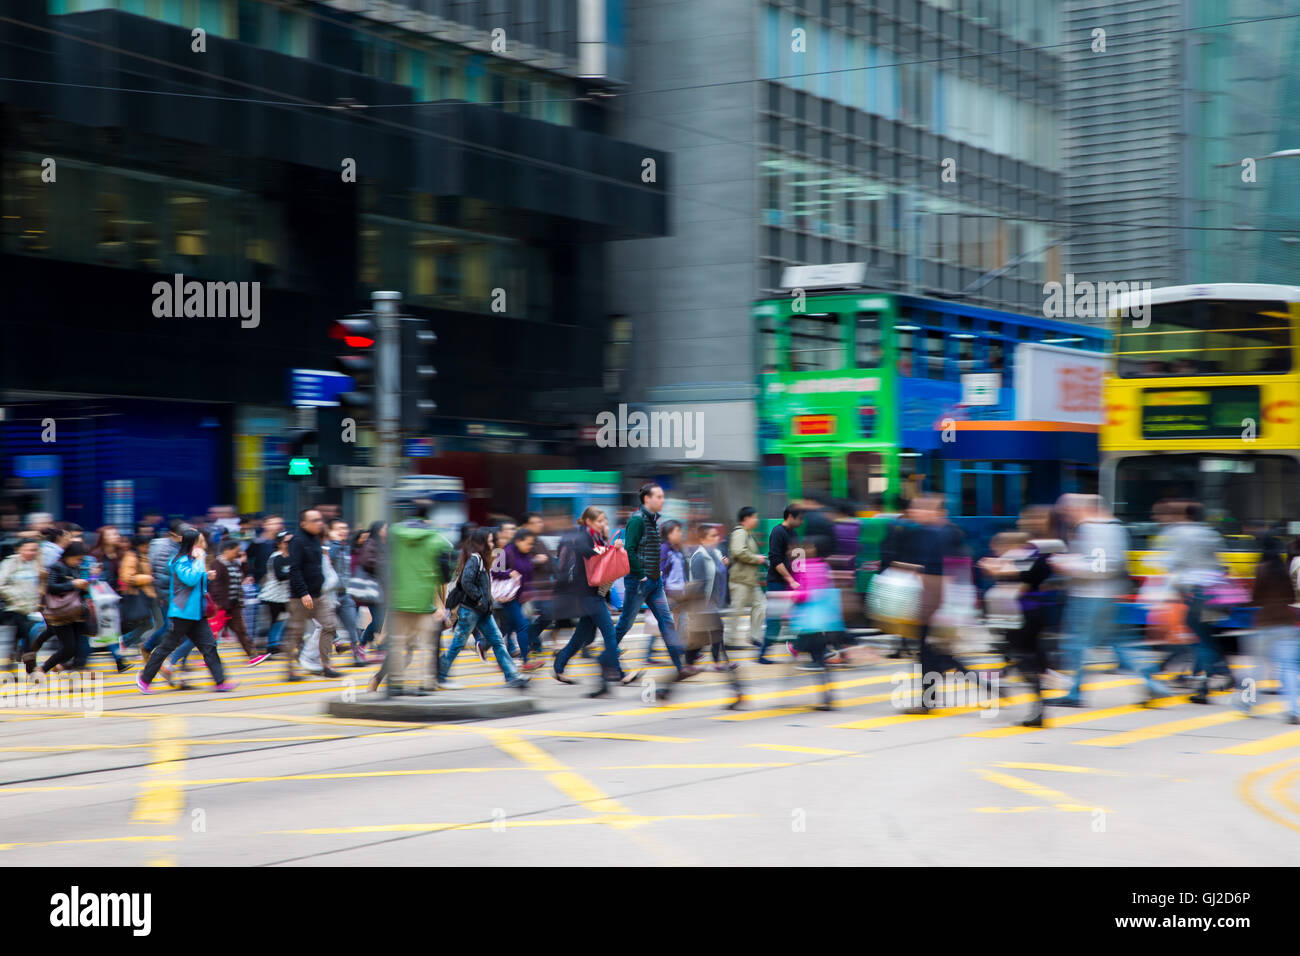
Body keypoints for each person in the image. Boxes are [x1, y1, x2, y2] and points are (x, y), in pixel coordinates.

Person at [1051, 494, 1168, 708]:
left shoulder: (1092, 529)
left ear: (1082, 508)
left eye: (1067, 511)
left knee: (1077, 644)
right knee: (1120, 644)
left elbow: (1102, 566)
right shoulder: (1115, 527)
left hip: (1090, 596)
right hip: (1110, 595)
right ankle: (1152, 684)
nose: (1066, 516)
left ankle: (1075, 692)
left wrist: (1066, 565)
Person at [978, 506, 1064, 727]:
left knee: (1026, 657)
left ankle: (1037, 708)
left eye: (1038, 517)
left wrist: (999, 570)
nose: (1032, 521)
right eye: (1029, 517)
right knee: (1023, 656)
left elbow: (1031, 574)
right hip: (1019, 609)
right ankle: (1036, 707)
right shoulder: (1031, 547)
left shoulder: (1046, 547)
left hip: (1028, 610)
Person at [137, 526, 238, 693]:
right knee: (166, 647)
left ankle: (220, 682)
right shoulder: (179, 561)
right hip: (182, 613)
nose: (201, 545)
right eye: (199, 541)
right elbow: (190, 580)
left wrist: (207, 576)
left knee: (209, 646)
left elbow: (197, 581)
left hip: (197, 613)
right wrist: (200, 562)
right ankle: (144, 679)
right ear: (192, 543)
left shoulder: (190, 560)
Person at [553, 507, 641, 697]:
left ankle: (559, 664)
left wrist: (608, 542)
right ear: (589, 522)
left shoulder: (596, 537)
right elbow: (588, 552)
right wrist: (609, 548)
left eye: (605, 521)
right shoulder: (582, 536)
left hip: (595, 594)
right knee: (609, 632)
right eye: (600, 521)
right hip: (586, 593)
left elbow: (604, 563)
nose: (603, 524)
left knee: (580, 637)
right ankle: (620, 673)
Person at [438, 529, 529, 688]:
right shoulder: (475, 559)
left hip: (483, 611)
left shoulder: (483, 559)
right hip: (471, 611)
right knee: (458, 643)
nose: (493, 544)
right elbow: (467, 582)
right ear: (482, 543)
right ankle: (440, 674)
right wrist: (480, 600)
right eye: (490, 541)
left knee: (498, 641)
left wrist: (486, 603)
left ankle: (512, 676)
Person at [612, 483, 687, 678]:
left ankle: (681, 667)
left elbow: (650, 550)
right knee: (625, 624)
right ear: (647, 499)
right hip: (639, 582)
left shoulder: (654, 520)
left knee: (667, 622)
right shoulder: (637, 520)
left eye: (663, 496)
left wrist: (655, 574)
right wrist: (641, 574)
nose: (662, 500)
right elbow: (630, 550)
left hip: (655, 583)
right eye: (659, 497)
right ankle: (606, 658)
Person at [382, 502, 452, 696]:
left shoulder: (394, 534)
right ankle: (425, 683)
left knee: (397, 643)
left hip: (399, 599)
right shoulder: (436, 538)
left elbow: (384, 564)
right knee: (427, 645)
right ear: (427, 517)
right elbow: (445, 572)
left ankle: (395, 684)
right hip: (424, 602)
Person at [1239, 539, 1297, 719]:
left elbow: (1256, 599)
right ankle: (1294, 709)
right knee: (1288, 669)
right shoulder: (1283, 571)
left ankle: (1247, 703)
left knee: (1255, 668)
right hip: (1286, 624)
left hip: (1265, 624)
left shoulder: (1261, 569)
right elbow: (1290, 596)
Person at [283, 509, 342, 681]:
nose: (319, 523)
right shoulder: (297, 541)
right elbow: (295, 569)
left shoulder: (315, 540)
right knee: (296, 632)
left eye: (320, 520)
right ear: (303, 523)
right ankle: (289, 670)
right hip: (301, 597)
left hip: (319, 595)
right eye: (315, 520)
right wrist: (303, 593)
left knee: (329, 625)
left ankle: (326, 666)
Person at [686, 524, 742, 700]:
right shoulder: (699, 557)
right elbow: (697, 582)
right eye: (712, 536)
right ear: (702, 539)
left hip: (713, 601)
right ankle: (717, 662)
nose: (716, 538)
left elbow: (720, 573)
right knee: (714, 631)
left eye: (716, 535)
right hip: (702, 602)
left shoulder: (716, 554)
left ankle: (690, 663)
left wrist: (724, 564)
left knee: (703, 636)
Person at [208, 536, 269, 666]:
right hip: (221, 606)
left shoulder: (234, 563)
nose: (238, 553)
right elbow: (215, 585)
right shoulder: (217, 564)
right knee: (212, 633)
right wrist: (218, 603)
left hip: (233, 604)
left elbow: (242, 575)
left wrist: (244, 562)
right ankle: (208, 658)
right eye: (236, 550)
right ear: (226, 550)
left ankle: (252, 655)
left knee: (241, 631)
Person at [36, 540, 91, 675]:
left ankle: (60, 667)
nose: (79, 562)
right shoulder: (56, 566)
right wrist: (74, 584)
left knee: (75, 646)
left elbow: (78, 589)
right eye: (78, 559)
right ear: (70, 555)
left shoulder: (75, 568)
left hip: (75, 611)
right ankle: (42, 669)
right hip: (59, 613)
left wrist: (84, 587)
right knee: (68, 647)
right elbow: (51, 587)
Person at [493, 528, 544, 670]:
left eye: (531, 544)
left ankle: (502, 661)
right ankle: (526, 660)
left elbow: (527, 572)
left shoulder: (525, 554)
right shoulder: (506, 552)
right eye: (528, 543)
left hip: (519, 597)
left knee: (509, 628)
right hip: (508, 597)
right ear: (518, 541)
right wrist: (509, 573)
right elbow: (494, 571)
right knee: (523, 626)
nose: (530, 546)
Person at [758, 504, 803, 664]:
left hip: (791, 583)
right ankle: (762, 655)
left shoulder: (793, 533)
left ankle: (796, 645)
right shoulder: (778, 532)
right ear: (790, 516)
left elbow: (796, 558)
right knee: (775, 620)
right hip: (778, 582)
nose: (801, 521)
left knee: (798, 615)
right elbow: (775, 560)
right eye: (799, 518)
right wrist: (790, 579)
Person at [725, 507, 767, 650]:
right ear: (746, 519)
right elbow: (738, 551)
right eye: (754, 517)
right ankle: (728, 641)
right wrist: (756, 558)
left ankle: (754, 636)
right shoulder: (740, 532)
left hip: (750, 580)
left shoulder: (748, 534)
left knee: (761, 605)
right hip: (740, 580)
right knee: (737, 610)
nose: (756, 520)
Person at [326, 518, 367, 665]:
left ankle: (357, 655)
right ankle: (324, 658)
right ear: (330, 531)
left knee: (352, 626)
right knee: (325, 628)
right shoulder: (328, 547)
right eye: (339, 528)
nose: (343, 531)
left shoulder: (346, 548)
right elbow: (330, 560)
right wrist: (336, 542)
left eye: (345, 528)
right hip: (329, 595)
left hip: (345, 594)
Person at [118, 533, 161, 661]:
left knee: (151, 624)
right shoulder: (131, 557)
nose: (148, 548)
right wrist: (146, 578)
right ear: (140, 545)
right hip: (139, 595)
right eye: (146, 545)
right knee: (150, 624)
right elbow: (126, 577)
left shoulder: (142, 556)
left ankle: (131, 643)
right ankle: (127, 642)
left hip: (147, 595)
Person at [0, 538, 42, 670]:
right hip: (15, 607)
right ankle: (31, 669)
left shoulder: (36, 563)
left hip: (30, 608)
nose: (32, 552)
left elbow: (40, 583)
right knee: (28, 635)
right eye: (28, 549)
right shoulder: (10, 563)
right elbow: (1, 584)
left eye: (34, 549)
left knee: (18, 637)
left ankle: (11, 660)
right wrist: (15, 597)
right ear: (20, 549)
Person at [143, 520, 183, 655]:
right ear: (173, 533)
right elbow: (161, 575)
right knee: (169, 626)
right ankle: (149, 646)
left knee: (174, 626)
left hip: (174, 593)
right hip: (168, 594)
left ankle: (175, 655)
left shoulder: (176, 547)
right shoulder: (166, 549)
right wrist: (163, 596)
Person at [658, 519, 688, 664]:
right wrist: (662, 590)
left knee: (681, 621)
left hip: (679, 592)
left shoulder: (677, 549)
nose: (681, 534)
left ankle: (681, 649)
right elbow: (661, 570)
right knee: (663, 622)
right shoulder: (665, 548)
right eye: (678, 531)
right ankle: (674, 650)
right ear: (669, 533)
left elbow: (681, 571)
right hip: (669, 593)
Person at [357, 522, 387, 652]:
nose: (387, 531)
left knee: (380, 620)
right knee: (378, 620)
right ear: (378, 530)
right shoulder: (371, 544)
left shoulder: (382, 544)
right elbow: (366, 561)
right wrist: (385, 563)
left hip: (381, 589)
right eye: (385, 528)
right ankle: (362, 644)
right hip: (373, 589)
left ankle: (368, 643)